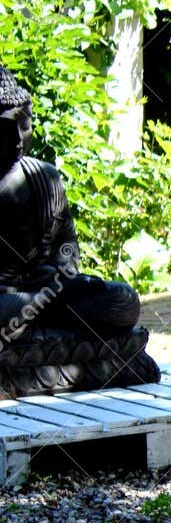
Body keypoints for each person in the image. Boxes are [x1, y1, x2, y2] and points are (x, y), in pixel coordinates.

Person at [0, 65, 159, 396]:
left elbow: (67, 248)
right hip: (8, 303)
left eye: (24, 124)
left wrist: (62, 275)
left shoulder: (44, 177)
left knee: (123, 300)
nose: (17, 138)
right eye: (4, 129)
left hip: (51, 294)